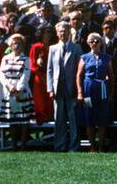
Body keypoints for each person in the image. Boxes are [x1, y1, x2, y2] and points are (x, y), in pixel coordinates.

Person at [47, 21, 82, 152]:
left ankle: (74, 146)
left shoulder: (76, 48)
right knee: (59, 119)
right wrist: (50, 88)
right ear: (57, 33)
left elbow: (80, 70)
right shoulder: (53, 48)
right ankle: (60, 146)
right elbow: (49, 70)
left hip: (71, 87)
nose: (63, 33)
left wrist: (79, 89)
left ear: (69, 32)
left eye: (65, 31)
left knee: (73, 119)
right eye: (60, 31)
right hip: (57, 88)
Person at [77, 33, 112, 152]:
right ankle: (92, 147)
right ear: (88, 43)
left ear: (101, 43)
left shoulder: (106, 57)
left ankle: (101, 146)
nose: (94, 43)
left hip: (102, 90)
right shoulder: (84, 57)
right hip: (88, 89)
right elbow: (79, 75)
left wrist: (111, 92)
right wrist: (80, 92)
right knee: (89, 117)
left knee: (102, 118)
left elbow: (111, 75)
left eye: (97, 41)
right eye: (92, 41)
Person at [0, 33, 33, 149]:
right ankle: (13, 144)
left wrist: (18, 89)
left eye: (19, 43)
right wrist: (9, 86)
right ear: (11, 45)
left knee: (23, 119)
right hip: (9, 92)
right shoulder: (5, 58)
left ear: (23, 45)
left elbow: (26, 75)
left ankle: (23, 144)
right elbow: (2, 75)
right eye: (14, 43)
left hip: (22, 92)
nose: (16, 45)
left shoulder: (26, 59)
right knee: (12, 118)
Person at [29, 25, 54, 125]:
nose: (48, 35)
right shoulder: (36, 46)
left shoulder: (53, 46)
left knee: (50, 99)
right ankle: (41, 118)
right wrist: (40, 72)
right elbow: (32, 64)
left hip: (51, 76)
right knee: (40, 99)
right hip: (39, 77)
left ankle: (51, 117)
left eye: (50, 32)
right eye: (46, 32)